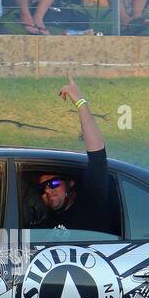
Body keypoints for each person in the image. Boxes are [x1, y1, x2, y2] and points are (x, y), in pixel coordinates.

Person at [28, 77, 114, 235]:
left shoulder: (90, 204)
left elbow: (97, 157)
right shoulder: (44, 225)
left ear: (70, 183)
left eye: (52, 183)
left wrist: (80, 103)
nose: (47, 191)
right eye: (42, 189)